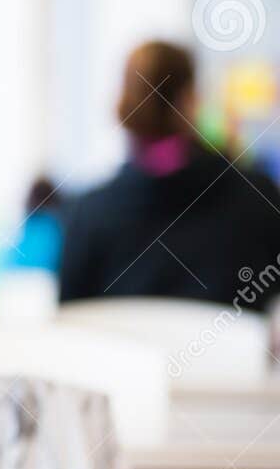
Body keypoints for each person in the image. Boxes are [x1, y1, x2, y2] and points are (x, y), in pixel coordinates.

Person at [59, 40, 280, 306]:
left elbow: (70, 320)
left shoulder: (87, 216)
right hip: (233, 334)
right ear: (192, 100)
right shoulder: (257, 198)